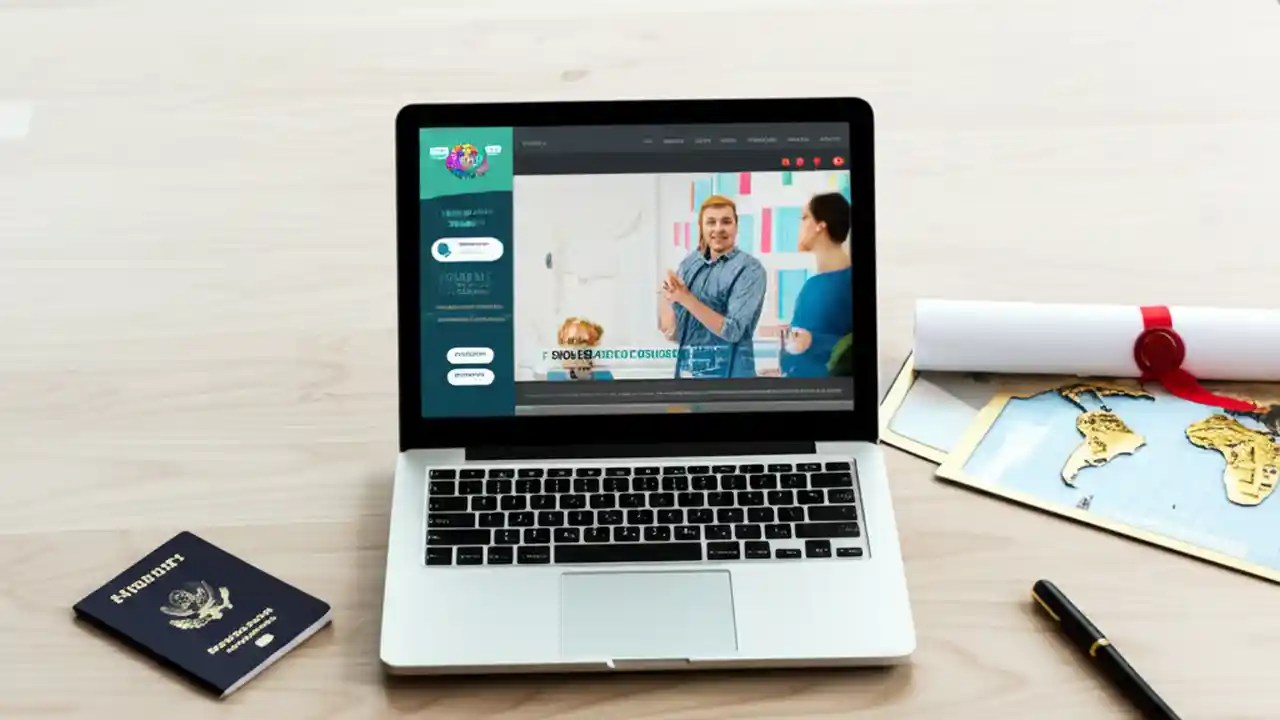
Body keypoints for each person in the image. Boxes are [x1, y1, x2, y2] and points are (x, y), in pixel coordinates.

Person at [658, 194, 767, 378]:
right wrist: (666, 298)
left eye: (726, 221)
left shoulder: (750, 270)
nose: (718, 229)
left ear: (736, 226)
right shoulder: (690, 263)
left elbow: (732, 331)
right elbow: (678, 333)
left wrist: (685, 298)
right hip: (687, 375)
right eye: (711, 222)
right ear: (702, 227)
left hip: (729, 382)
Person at [781, 192, 853, 378]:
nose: (799, 226)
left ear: (820, 226)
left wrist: (814, 342)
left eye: (805, 218)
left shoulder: (849, 281)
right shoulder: (810, 286)